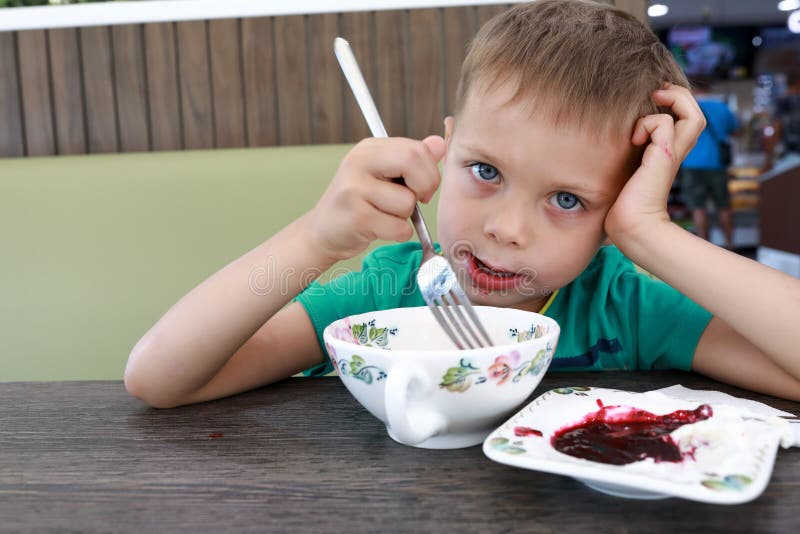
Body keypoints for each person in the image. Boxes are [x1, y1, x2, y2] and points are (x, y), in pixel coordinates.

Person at [124, 0, 800, 408]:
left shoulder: (624, 307)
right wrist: (315, 242)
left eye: (567, 198)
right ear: (445, 149)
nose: (505, 229)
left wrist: (649, 233)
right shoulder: (389, 292)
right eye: (484, 170)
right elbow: (160, 377)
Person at [679, 77, 739, 248]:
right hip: (717, 164)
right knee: (724, 206)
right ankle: (730, 246)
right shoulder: (723, 108)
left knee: (698, 207)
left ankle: (705, 248)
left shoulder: (687, 107)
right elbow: (735, 132)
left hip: (691, 164)